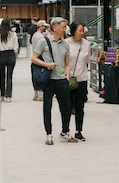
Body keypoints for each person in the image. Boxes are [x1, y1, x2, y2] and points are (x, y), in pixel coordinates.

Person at [32, 17, 73, 145]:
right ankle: (48, 134)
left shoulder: (66, 44)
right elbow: (34, 58)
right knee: (47, 107)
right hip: (49, 80)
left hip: (61, 79)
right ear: (54, 28)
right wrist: (46, 64)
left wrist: (67, 77)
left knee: (66, 107)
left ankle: (65, 131)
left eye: (65, 27)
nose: (65, 29)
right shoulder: (43, 41)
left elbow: (67, 63)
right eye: (63, 27)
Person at [65, 22, 92, 141]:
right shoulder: (66, 43)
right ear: (73, 31)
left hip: (82, 79)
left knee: (79, 106)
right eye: (79, 31)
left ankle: (78, 130)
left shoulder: (86, 44)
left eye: (83, 31)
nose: (82, 33)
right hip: (68, 79)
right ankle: (65, 129)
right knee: (67, 106)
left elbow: (87, 60)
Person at [0, 18, 19, 102]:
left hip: (2, 55)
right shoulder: (13, 34)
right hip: (11, 54)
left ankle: (2, 94)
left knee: (2, 75)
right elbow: (16, 46)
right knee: (9, 76)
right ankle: (8, 96)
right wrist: (15, 55)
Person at [32, 20, 49, 101]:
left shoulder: (34, 35)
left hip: (34, 56)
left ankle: (36, 93)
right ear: (41, 26)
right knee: (41, 76)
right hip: (40, 57)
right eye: (44, 26)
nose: (45, 28)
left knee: (35, 75)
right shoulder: (41, 37)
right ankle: (40, 93)